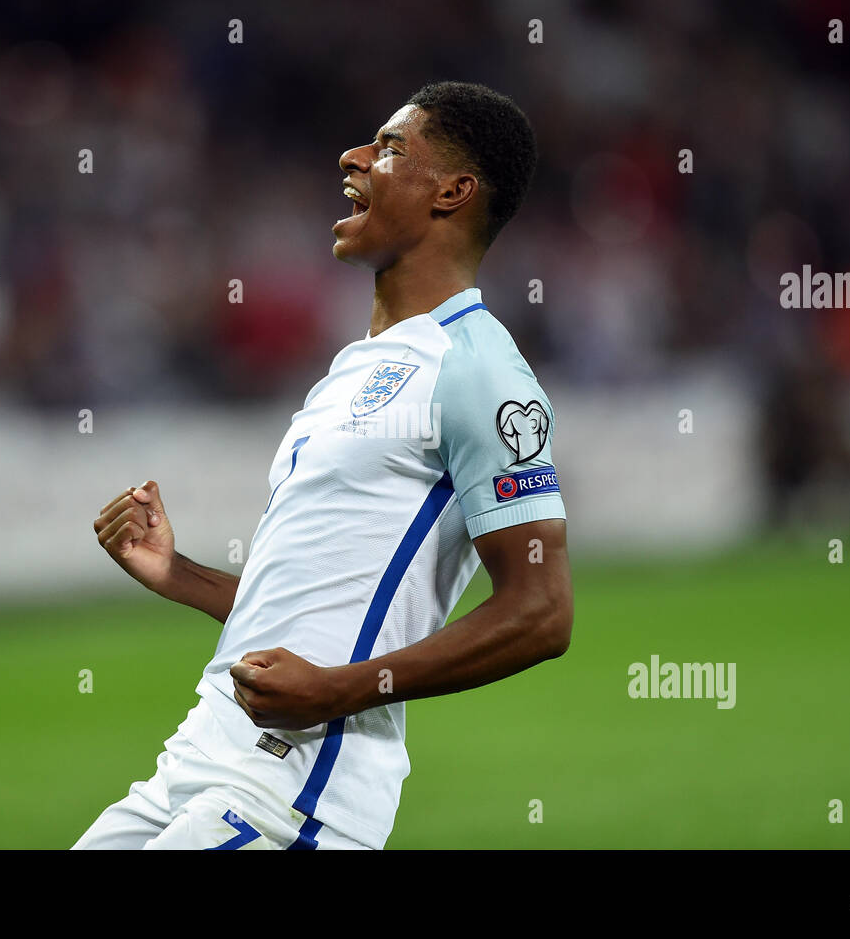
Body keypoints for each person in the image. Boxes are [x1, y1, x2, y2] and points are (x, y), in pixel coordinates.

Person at [74, 81, 572, 850]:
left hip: (295, 789)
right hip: (200, 756)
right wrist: (182, 575)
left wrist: (339, 691)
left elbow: (541, 611)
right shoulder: (351, 368)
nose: (354, 156)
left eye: (392, 148)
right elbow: (316, 613)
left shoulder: (477, 370)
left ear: (454, 191)